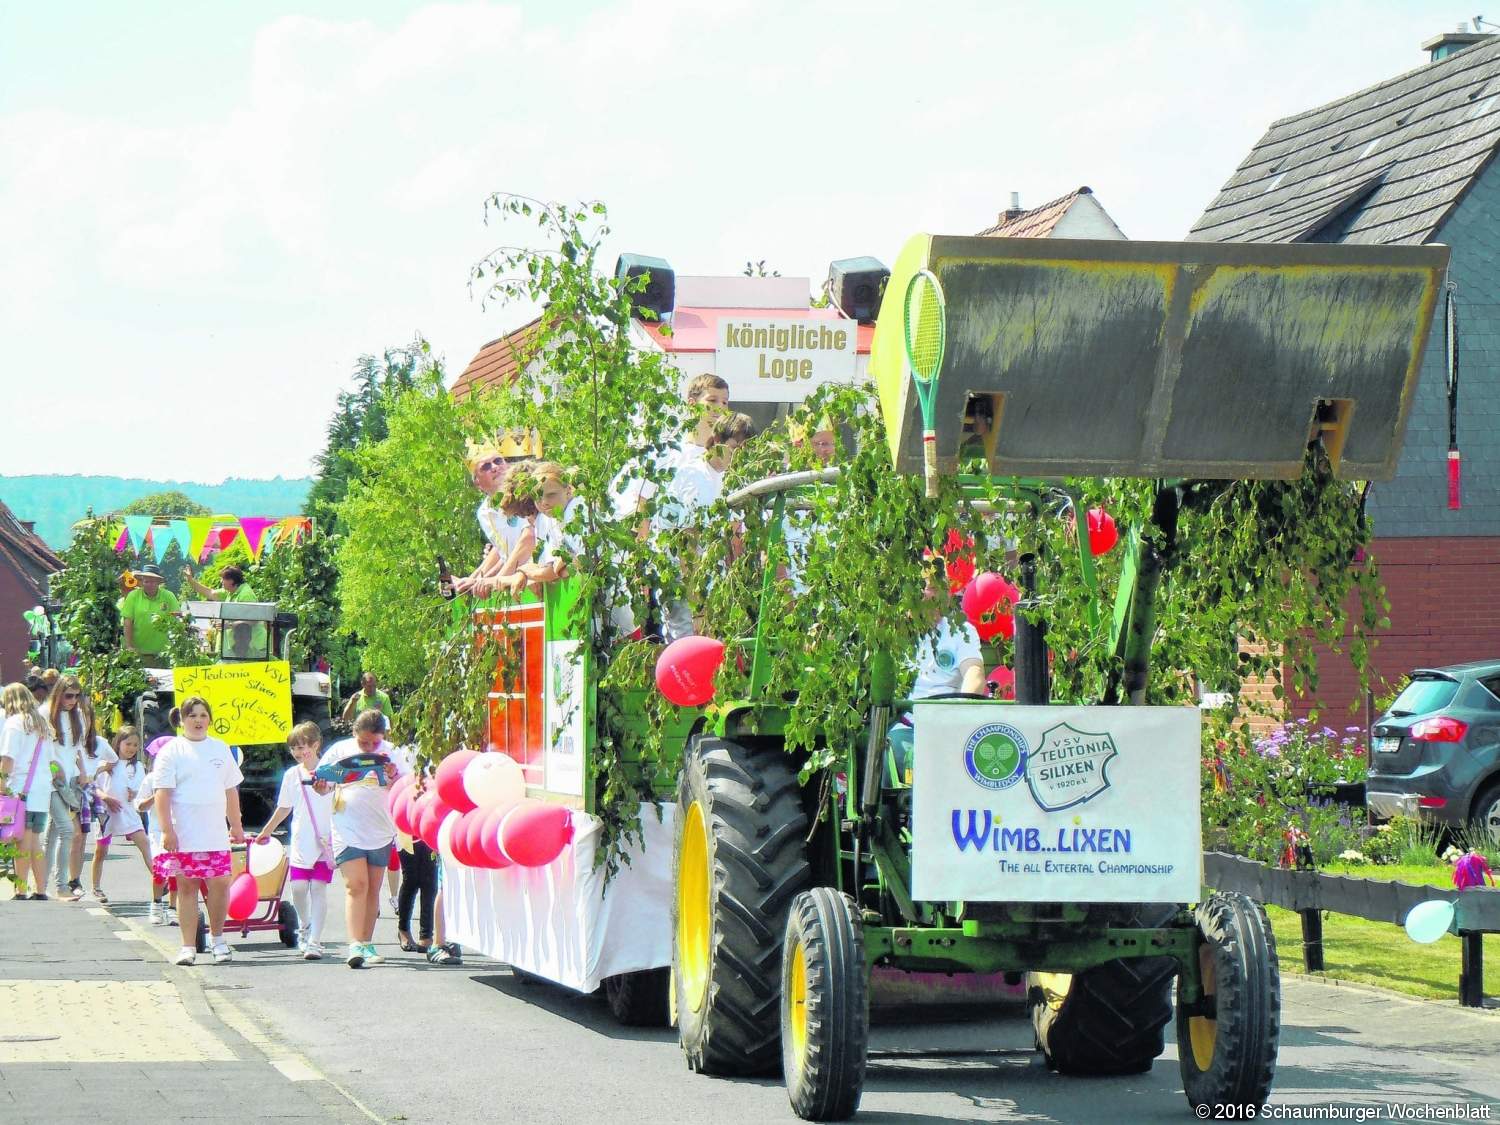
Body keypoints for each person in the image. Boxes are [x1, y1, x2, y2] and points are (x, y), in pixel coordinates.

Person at [152, 696, 245, 966]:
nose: (198, 720)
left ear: (210, 719)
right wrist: (168, 830)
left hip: (215, 832)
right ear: (181, 720)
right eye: (192, 715)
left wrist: (236, 825)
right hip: (185, 833)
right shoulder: (172, 751)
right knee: (187, 887)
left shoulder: (220, 748)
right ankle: (188, 946)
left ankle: (218, 940)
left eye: (203, 715)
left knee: (219, 884)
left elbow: (230, 790)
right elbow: (162, 794)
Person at [314, 709, 407, 968]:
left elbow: (406, 786)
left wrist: (393, 776)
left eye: (374, 742)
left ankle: (366, 942)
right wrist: (321, 786)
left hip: (381, 828)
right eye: (363, 742)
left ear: (383, 736)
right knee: (356, 885)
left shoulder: (394, 752)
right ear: (354, 733)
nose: (368, 747)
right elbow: (323, 782)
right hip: (347, 826)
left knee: (373, 887)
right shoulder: (340, 750)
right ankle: (354, 944)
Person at [254, 722, 335, 960]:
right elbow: (284, 807)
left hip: (326, 840)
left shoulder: (330, 772)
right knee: (298, 889)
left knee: (319, 888)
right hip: (301, 839)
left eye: (302, 747)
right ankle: (305, 924)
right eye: (294, 749)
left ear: (316, 744)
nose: (298, 753)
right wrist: (266, 831)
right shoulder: (292, 775)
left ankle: (315, 941)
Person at [43, 674, 113, 900]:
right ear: (59, 693)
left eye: (76, 696)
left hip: (72, 780)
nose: (72, 700)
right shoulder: (45, 713)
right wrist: (54, 769)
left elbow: (78, 750)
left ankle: (42, 883)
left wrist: (83, 772)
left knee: (54, 833)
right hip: (51, 780)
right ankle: (62, 886)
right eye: (68, 695)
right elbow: (42, 750)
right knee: (68, 831)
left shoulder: (78, 717)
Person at [0, 682, 62, 898]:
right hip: (41, 791)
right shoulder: (42, 724)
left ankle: (21, 889)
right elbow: (53, 763)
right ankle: (41, 889)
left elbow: (8, 758)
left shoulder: (15, 723)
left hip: (20, 790)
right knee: (35, 840)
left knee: (22, 842)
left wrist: (1, 784)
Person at [454, 440, 539, 596]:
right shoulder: (484, 513)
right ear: (477, 483)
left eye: (498, 461)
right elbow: (503, 552)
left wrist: (497, 580)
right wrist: (474, 580)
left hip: (536, 577)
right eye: (486, 467)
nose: (494, 467)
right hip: (515, 584)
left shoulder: (522, 493)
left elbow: (528, 538)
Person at [89, 726, 152, 904]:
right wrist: (106, 797)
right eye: (128, 744)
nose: (131, 748)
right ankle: (96, 887)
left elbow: (141, 788)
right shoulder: (107, 764)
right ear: (118, 743)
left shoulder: (138, 766)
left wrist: (135, 793)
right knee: (101, 850)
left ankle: (160, 882)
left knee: (145, 843)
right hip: (107, 813)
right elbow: (93, 786)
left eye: (135, 745)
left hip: (128, 812)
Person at [119, 565, 181, 663]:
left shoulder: (169, 596)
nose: (149, 584)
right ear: (142, 582)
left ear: (158, 583)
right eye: (146, 581)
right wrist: (129, 646)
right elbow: (128, 622)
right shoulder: (133, 596)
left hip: (163, 653)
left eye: (153, 582)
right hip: (138, 653)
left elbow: (177, 619)